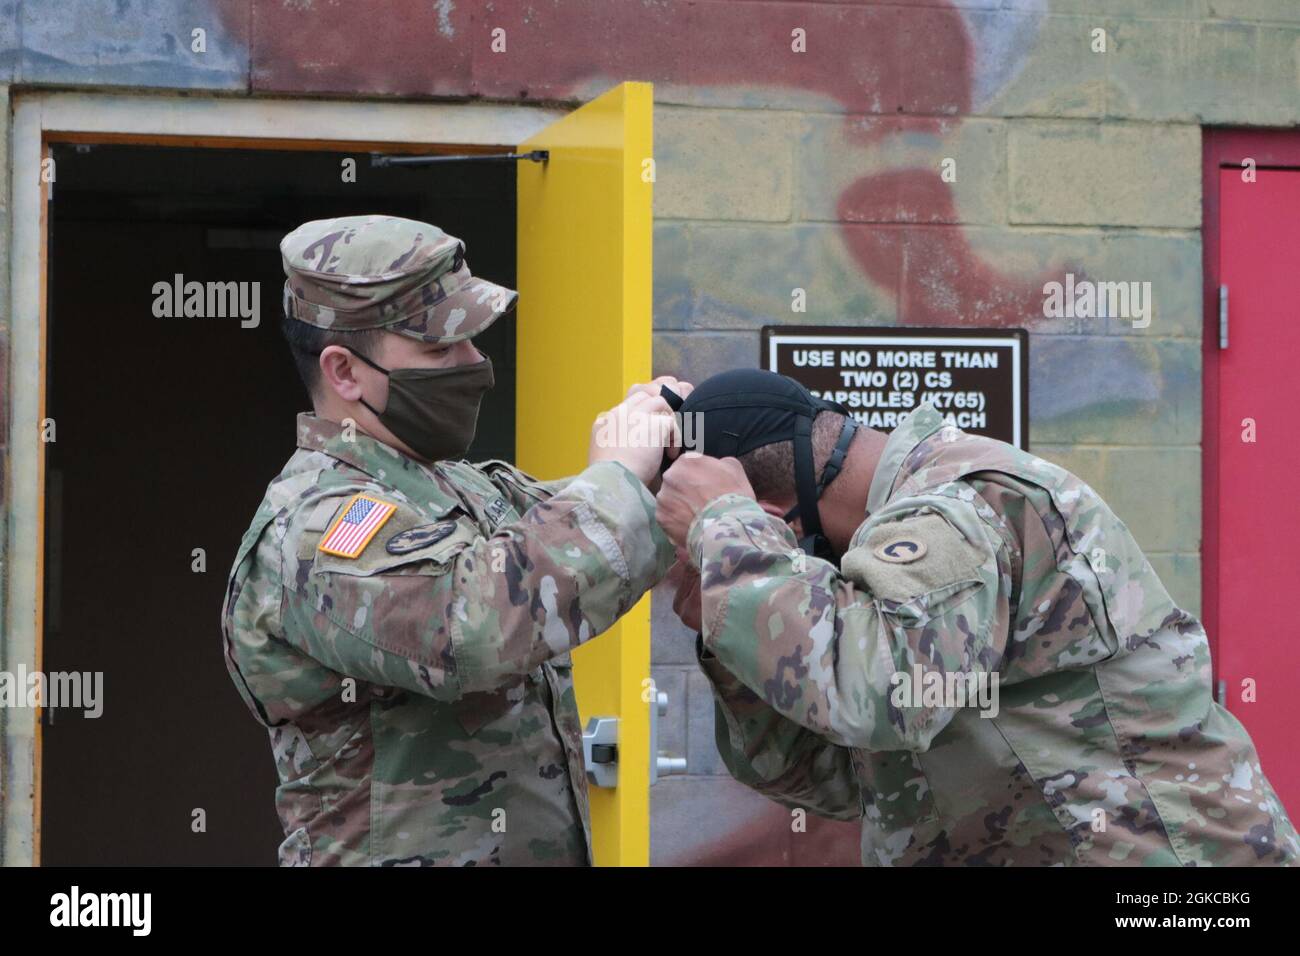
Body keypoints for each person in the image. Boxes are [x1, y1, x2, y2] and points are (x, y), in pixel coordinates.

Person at [655, 368, 1297, 866]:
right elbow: (828, 778)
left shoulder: (956, 508)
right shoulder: (875, 563)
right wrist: (733, 624)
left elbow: (886, 698)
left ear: (771, 510)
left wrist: (728, 537)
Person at [222, 214, 682, 866]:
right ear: (345, 372)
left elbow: (592, 536)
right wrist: (616, 475)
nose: (477, 366)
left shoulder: (459, 487)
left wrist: (675, 442)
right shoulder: (318, 530)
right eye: (442, 350)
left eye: (470, 341)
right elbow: (474, 630)